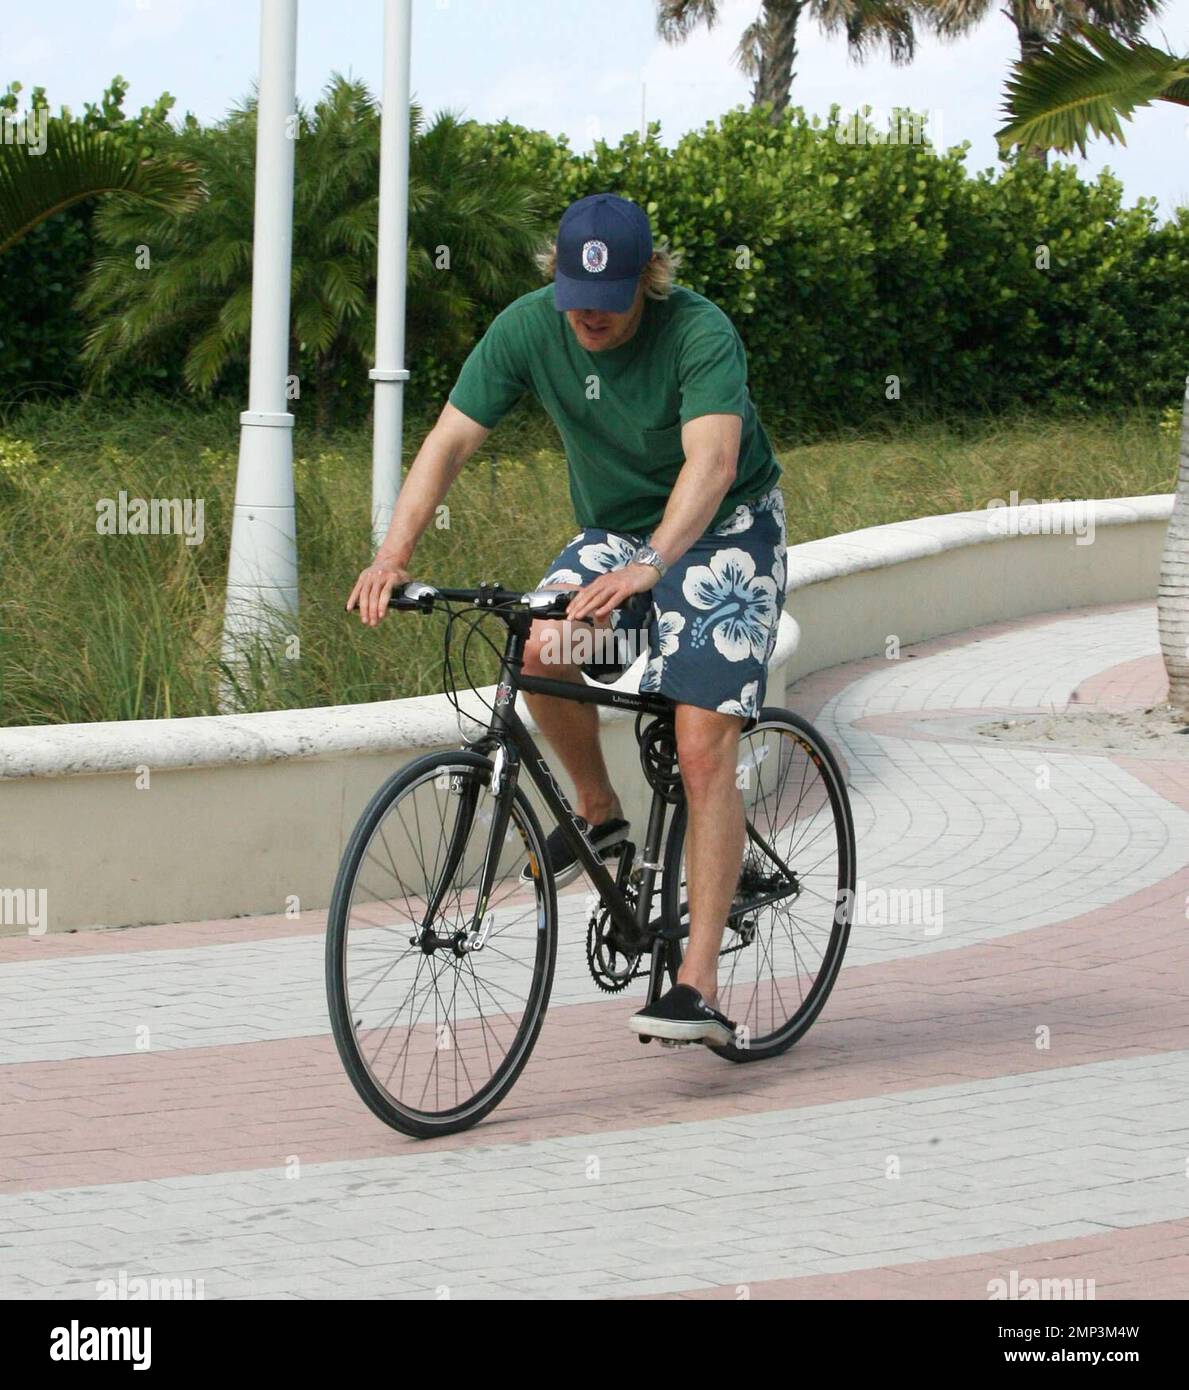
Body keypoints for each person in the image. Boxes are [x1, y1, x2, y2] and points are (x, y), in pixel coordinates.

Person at [347, 193, 786, 1047]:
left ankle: (694, 984)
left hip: (723, 530)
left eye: (609, 297)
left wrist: (651, 567)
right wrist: (391, 557)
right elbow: (447, 442)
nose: (588, 314)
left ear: (647, 281)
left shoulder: (698, 332)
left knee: (701, 745)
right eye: (573, 297)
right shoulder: (526, 328)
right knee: (541, 647)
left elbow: (714, 459)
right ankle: (599, 813)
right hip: (616, 533)